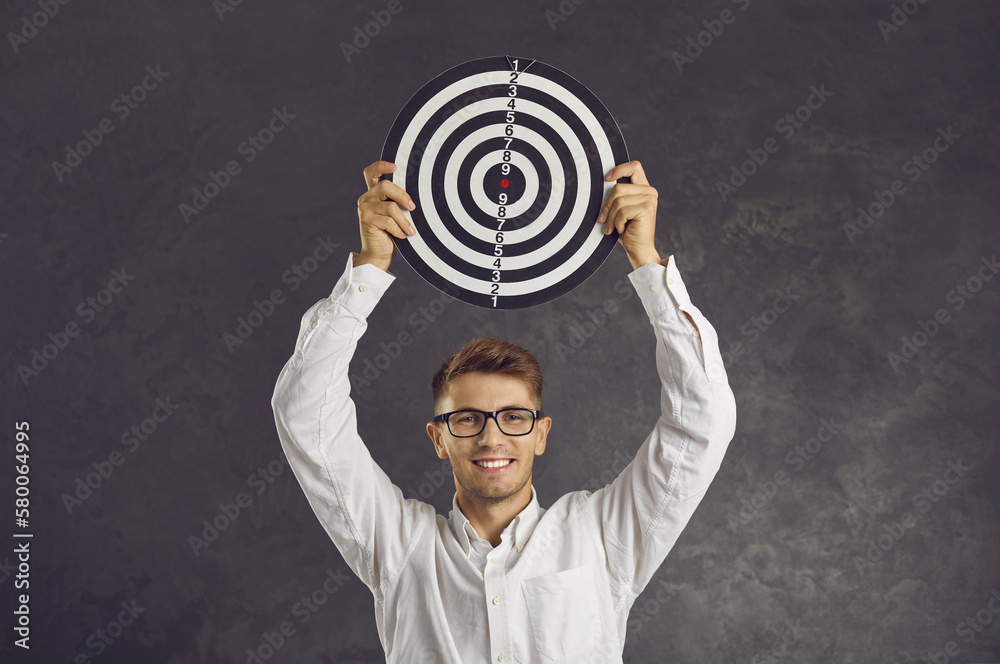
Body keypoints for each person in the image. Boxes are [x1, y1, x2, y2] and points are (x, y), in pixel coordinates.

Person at [271, 159, 737, 663]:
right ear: (438, 437)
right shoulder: (399, 546)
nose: (492, 439)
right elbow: (305, 415)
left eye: (514, 417)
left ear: (541, 433)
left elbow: (701, 420)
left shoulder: (602, 535)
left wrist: (646, 261)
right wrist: (368, 269)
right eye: (467, 418)